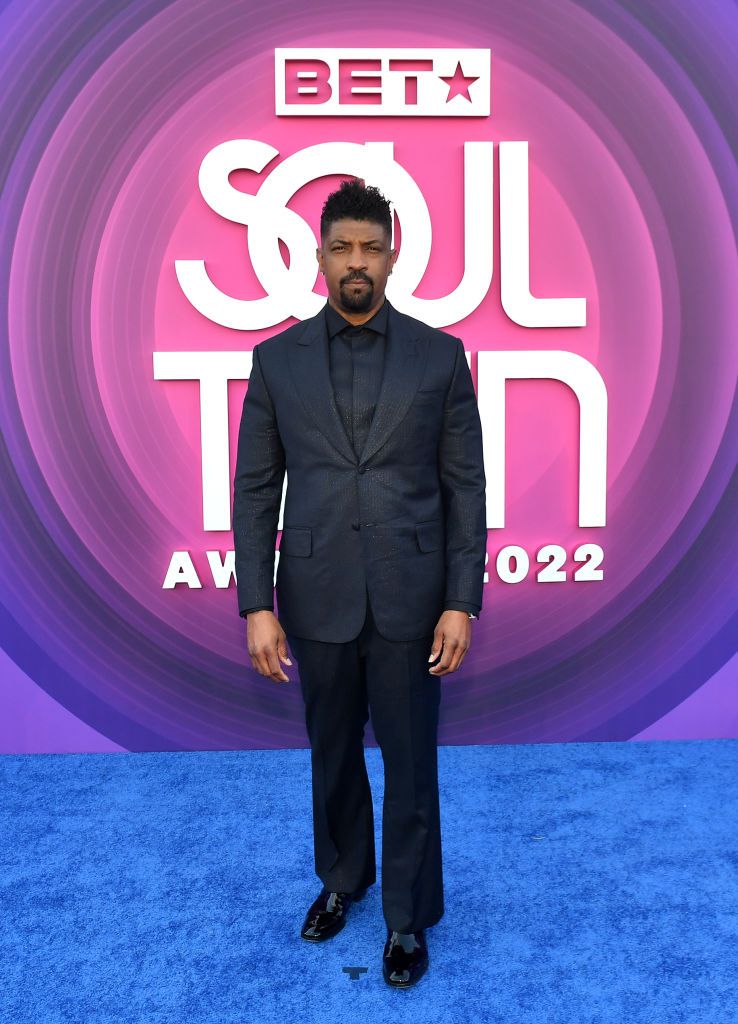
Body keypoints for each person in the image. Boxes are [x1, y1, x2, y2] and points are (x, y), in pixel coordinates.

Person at [232, 178, 486, 988]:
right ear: (319, 256)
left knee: (411, 764)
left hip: (413, 597)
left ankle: (408, 918)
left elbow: (465, 489)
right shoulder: (276, 361)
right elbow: (254, 490)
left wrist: (461, 600)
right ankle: (343, 879)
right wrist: (256, 604)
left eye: (371, 248)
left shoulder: (439, 357)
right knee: (332, 754)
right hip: (316, 594)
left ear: (392, 257)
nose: (356, 261)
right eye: (342, 246)